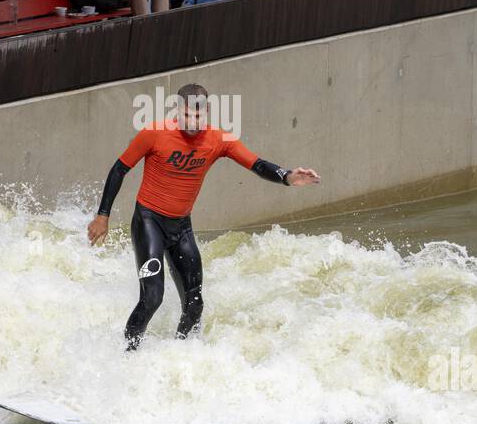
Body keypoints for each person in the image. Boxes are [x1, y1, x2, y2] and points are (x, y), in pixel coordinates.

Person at [87, 83, 320, 350]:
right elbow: (119, 169)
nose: (192, 122)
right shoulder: (154, 133)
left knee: (195, 304)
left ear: (206, 112)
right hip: (149, 221)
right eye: (187, 115)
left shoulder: (218, 139)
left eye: (198, 116)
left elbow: (256, 164)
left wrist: (287, 177)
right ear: (177, 110)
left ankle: (183, 356)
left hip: (181, 228)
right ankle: (127, 354)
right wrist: (103, 215)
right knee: (152, 297)